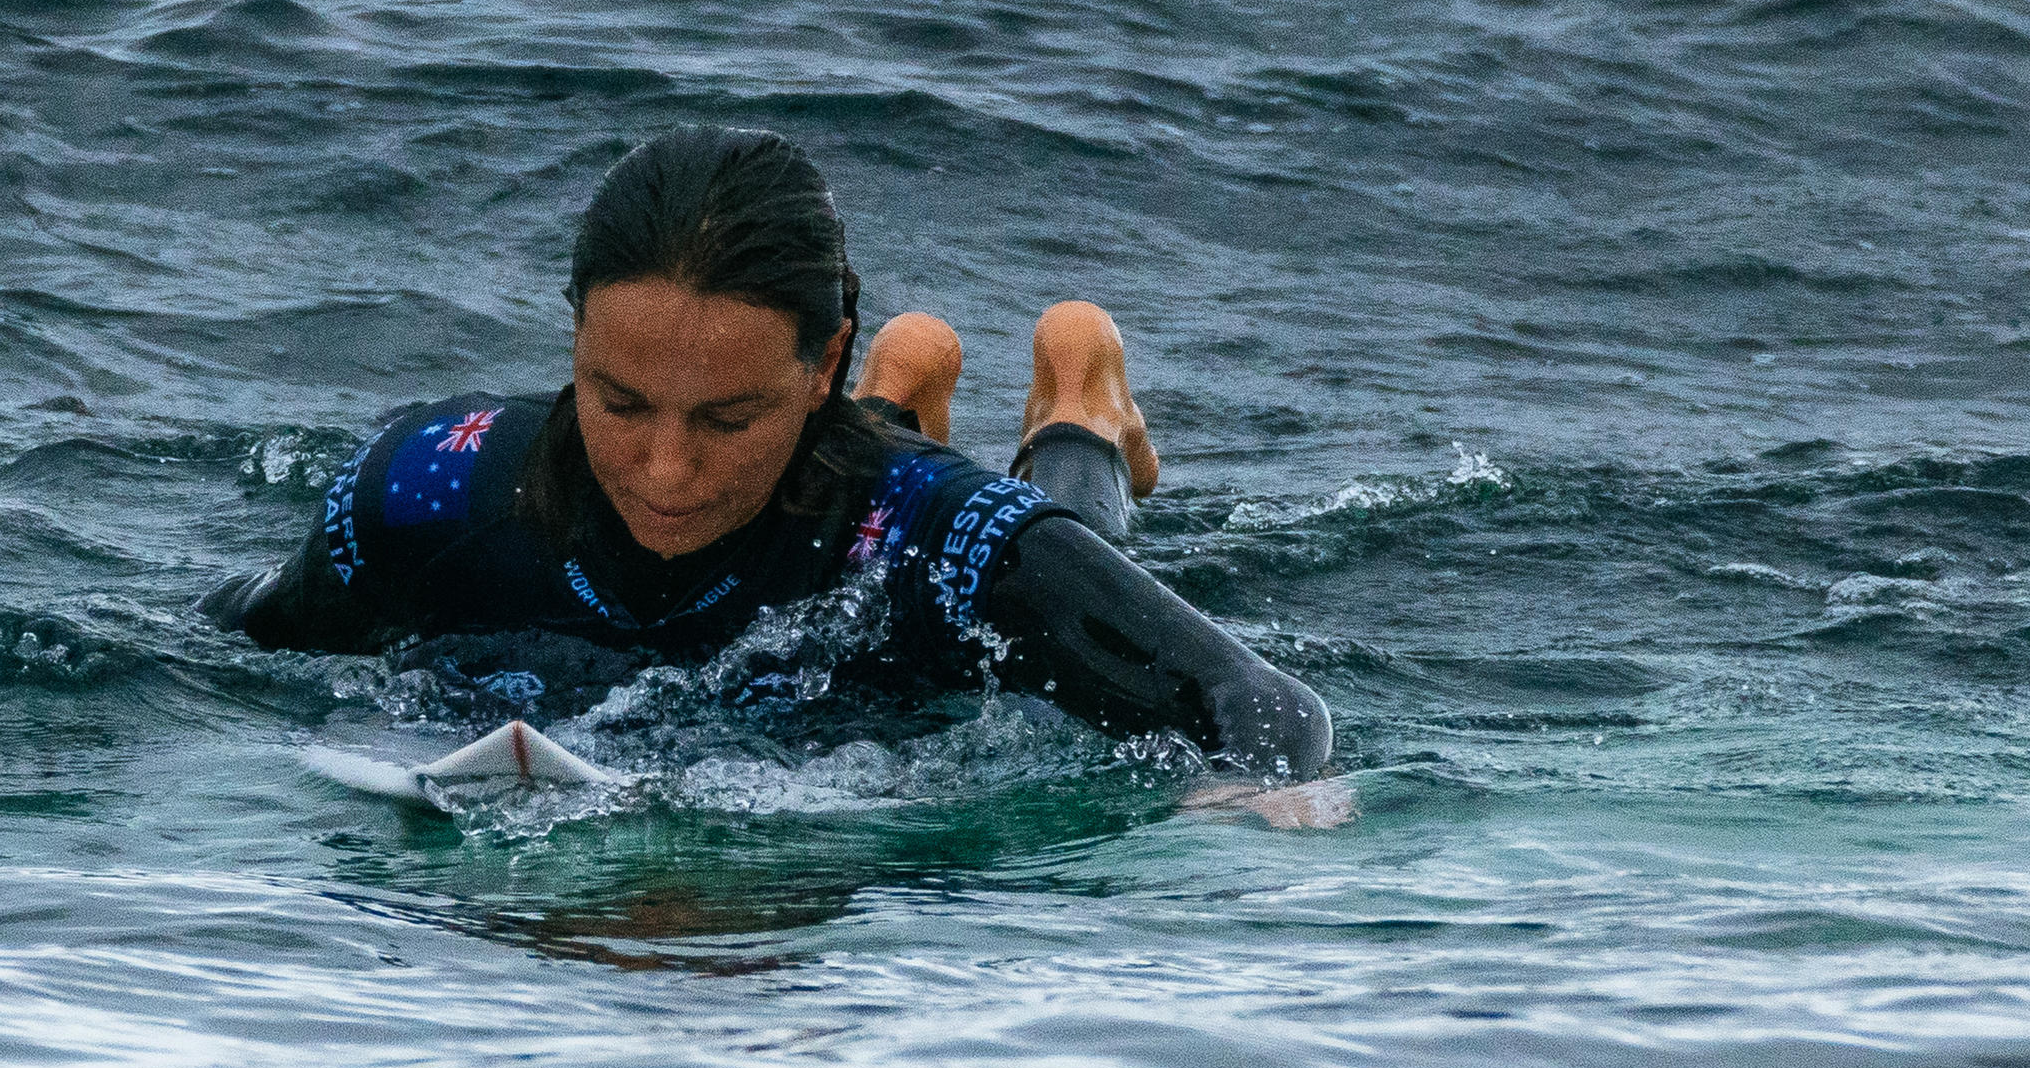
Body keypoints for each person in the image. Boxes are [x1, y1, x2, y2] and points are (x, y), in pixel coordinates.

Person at [204, 124, 1337, 780]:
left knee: (1040, 548)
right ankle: (905, 386)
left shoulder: (941, 535)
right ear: (573, 335)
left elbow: (1262, 709)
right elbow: (242, 631)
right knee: (856, 486)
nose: (662, 473)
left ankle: (1080, 380)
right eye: (618, 400)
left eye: (726, 420)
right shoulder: (429, 484)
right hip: (848, 475)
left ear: (821, 359)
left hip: (892, 502)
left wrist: (1238, 837)